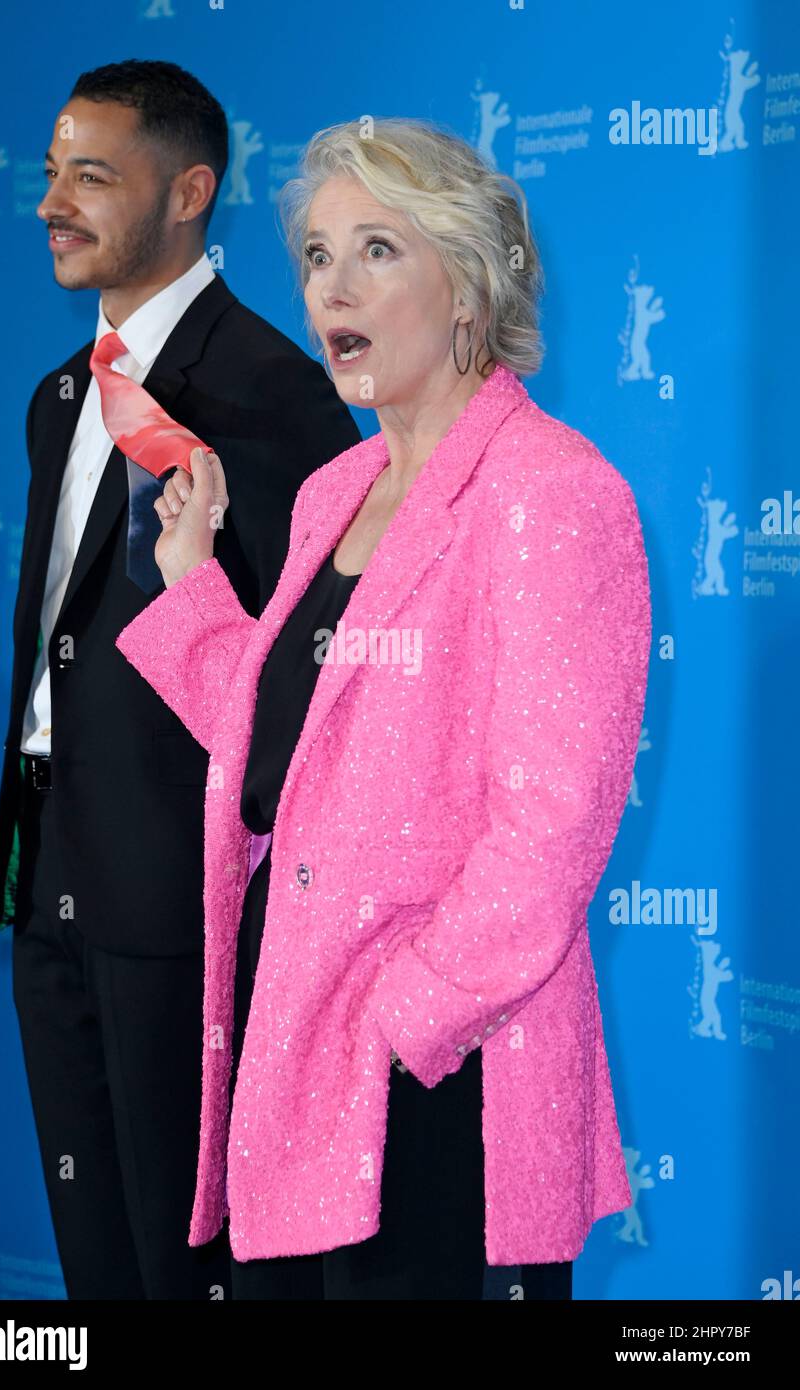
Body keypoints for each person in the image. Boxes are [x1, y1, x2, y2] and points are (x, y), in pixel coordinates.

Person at [115, 117, 651, 1300]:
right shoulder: (334, 490)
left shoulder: (553, 495)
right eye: (313, 255)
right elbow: (287, 758)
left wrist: (399, 1021)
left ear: (465, 286)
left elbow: (551, 836)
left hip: (442, 1077)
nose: (332, 288)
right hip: (293, 1055)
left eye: (376, 250)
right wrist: (194, 580)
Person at [0, 62, 360, 1301]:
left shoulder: (276, 393)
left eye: (91, 175)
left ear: (191, 192)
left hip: (184, 923)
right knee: (98, 1280)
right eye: (51, 172)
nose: (52, 201)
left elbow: (304, 687)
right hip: (51, 902)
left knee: (182, 1276)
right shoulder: (57, 398)